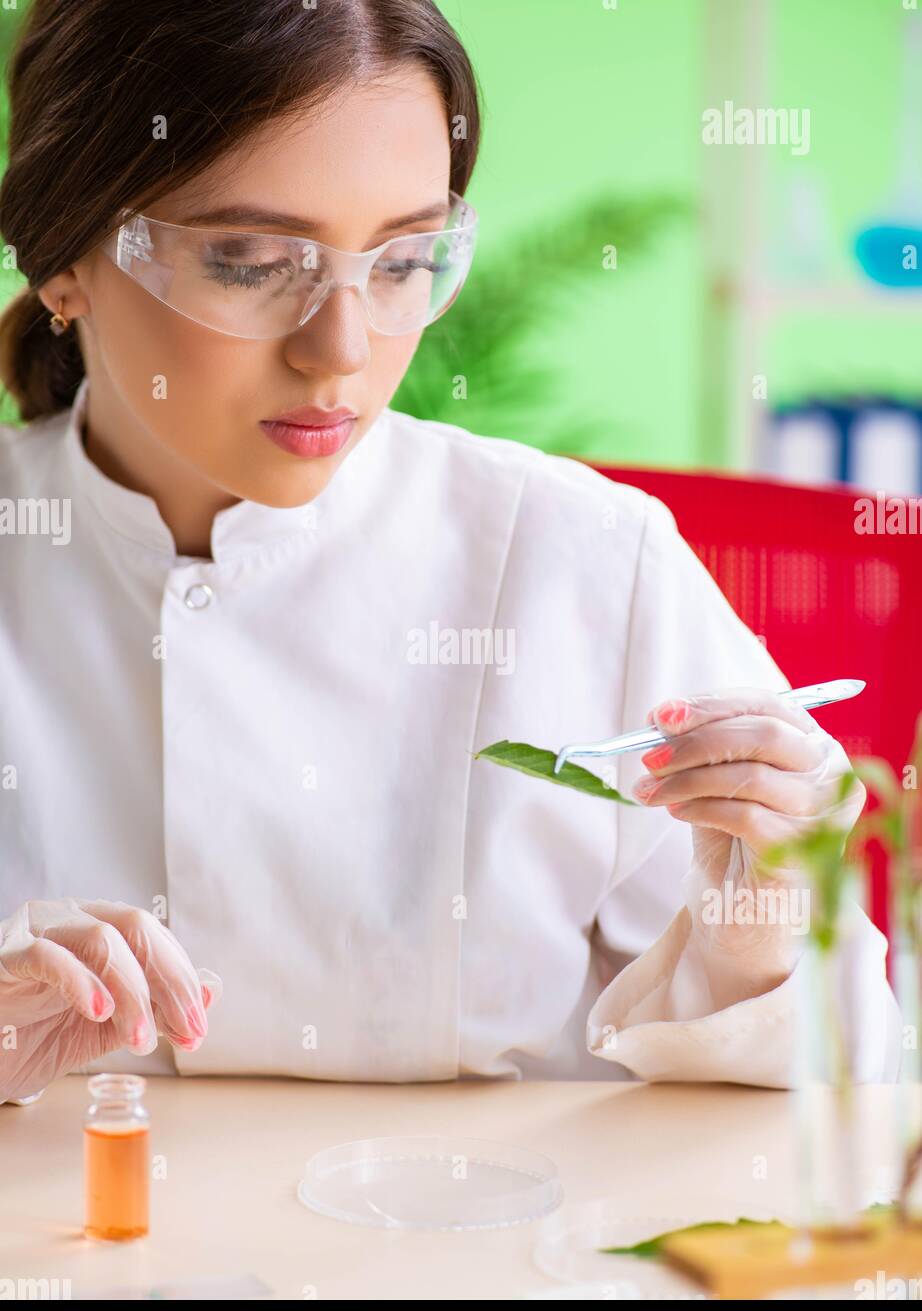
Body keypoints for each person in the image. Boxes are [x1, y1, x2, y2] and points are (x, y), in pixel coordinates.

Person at [0, 0, 900, 1105]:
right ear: (61, 261)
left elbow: (848, 1084)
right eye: (245, 261)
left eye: (402, 258)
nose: (342, 348)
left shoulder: (580, 561)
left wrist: (764, 911)